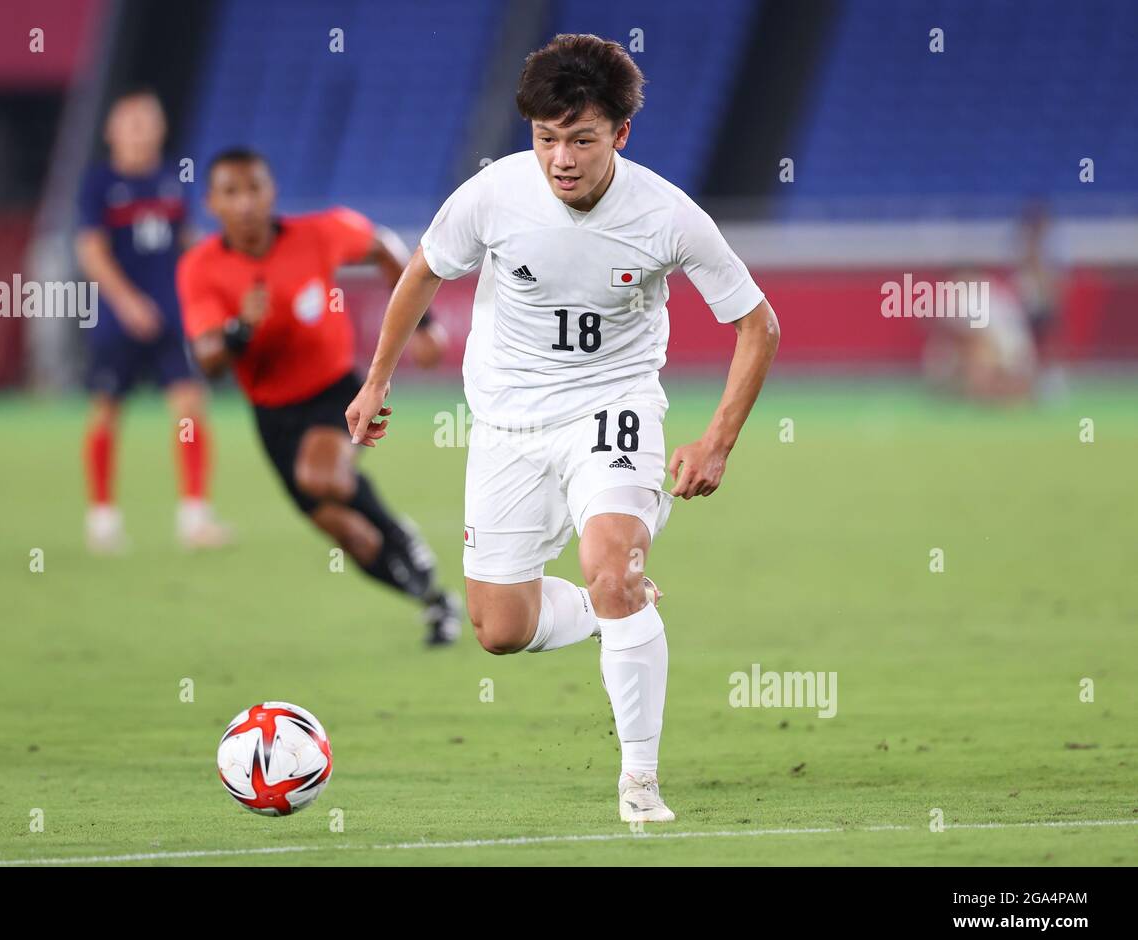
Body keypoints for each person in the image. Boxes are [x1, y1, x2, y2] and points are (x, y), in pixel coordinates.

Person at [346, 35, 781, 821]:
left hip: (612, 406)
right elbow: (422, 270)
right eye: (547, 139)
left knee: (609, 565)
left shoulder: (666, 215)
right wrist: (378, 377)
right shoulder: (492, 196)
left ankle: (640, 782)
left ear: (620, 133)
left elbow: (759, 324)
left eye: (581, 139)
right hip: (507, 423)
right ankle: (620, 604)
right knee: (499, 629)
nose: (561, 159)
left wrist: (717, 438)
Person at [176, 148, 460, 646]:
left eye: (253, 189)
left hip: (336, 391)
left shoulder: (318, 233)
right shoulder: (201, 267)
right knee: (350, 536)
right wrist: (241, 329)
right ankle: (434, 601)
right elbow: (209, 360)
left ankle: (404, 538)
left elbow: (384, 247)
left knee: (321, 474)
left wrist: (426, 323)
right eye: (230, 192)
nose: (244, 203)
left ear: (272, 192)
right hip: (272, 415)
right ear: (212, 203)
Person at [76, 88, 230, 553]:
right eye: (133, 122)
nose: (143, 131)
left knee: (189, 407)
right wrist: (126, 303)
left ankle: (194, 517)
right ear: (113, 131)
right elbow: (91, 251)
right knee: (107, 409)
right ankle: (102, 519)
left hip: (172, 318)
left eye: (150, 121)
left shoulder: (172, 179)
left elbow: (189, 243)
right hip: (117, 321)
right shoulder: (99, 184)